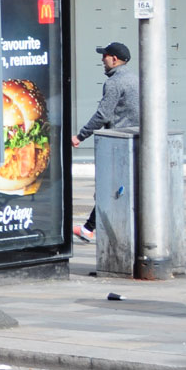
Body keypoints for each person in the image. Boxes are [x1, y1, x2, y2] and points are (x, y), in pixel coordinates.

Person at [69, 41, 138, 242]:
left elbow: (103, 115)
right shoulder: (135, 79)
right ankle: (90, 228)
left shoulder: (115, 82)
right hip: (137, 141)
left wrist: (80, 136)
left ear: (114, 59)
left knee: (107, 187)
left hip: (118, 143)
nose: (102, 59)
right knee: (121, 188)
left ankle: (90, 229)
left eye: (105, 56)